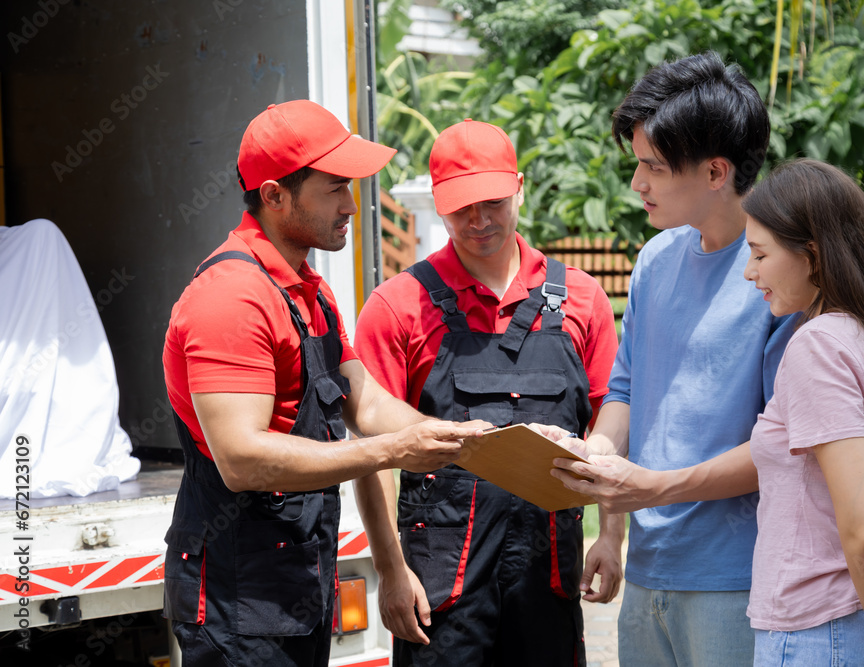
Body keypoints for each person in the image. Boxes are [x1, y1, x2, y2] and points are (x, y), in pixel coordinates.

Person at [558, 159, 864, 666]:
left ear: (812, 255)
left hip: (822, 633)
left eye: (761, 254)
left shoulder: (818, 348)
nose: (749, 272)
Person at [161, 100, 489, 667]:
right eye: (335, 188)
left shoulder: (310, 292)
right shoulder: (231, 298)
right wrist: (393, 451)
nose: (351, 205)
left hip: (295, 587)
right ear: (274, 195)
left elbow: (367, 403)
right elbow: (241, 459)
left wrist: (471, 438)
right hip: (235, 601)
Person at [542, 51, 795, 665]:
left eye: (653, 167)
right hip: (648, 569)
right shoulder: (655, 260)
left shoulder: (782, 274)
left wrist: (652, 488)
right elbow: (627, 390)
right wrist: (598, 459)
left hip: (737, 579)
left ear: (715, 172)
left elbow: (786, 443)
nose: (637, 183)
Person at [353, 119, 625, 666]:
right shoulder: (397, 305)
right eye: (461, 208)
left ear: (519, 188)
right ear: (438, 202)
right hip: (440, 587)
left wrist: (611, 537)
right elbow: (372, 452)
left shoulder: (582, 298)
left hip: (550, 572)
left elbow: (611, 418)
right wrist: (389, 567)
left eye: (493, 203)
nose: (479, 221)